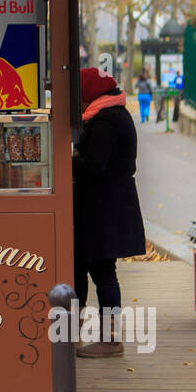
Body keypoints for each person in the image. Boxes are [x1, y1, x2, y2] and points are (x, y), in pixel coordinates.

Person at [73, 67, 146, 358]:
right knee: (80, 268)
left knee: (102, 271)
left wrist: (64, 163)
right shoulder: (108, 114)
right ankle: (72, 336)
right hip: (102, 205)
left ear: (89, 95)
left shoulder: (107, 120)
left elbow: (94, 166)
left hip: (105, 207)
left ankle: (110, 339)